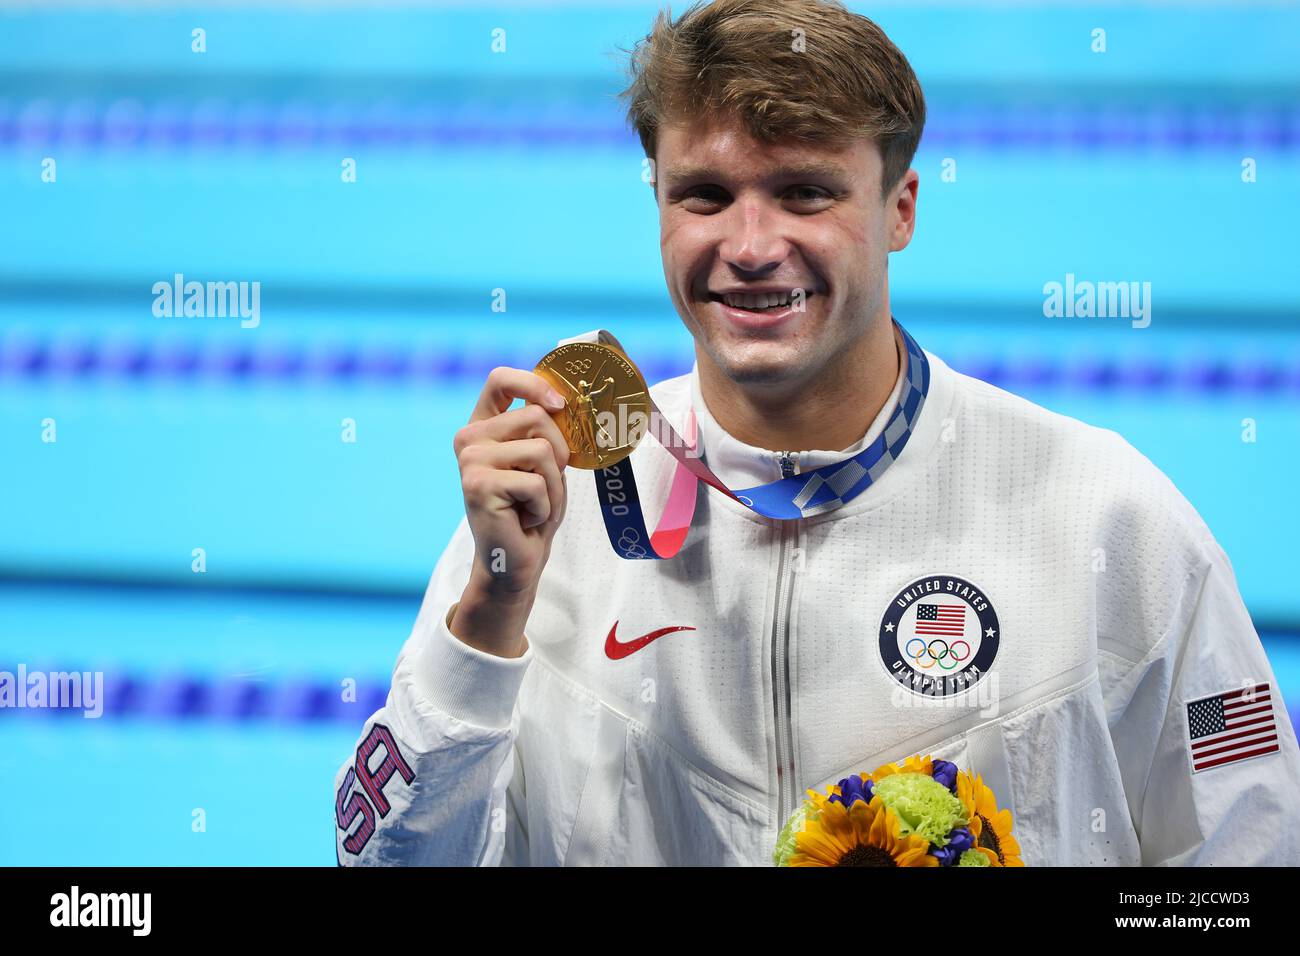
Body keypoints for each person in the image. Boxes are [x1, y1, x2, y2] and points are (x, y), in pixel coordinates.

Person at [333, 0, 1300, 866]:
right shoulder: (553, 513)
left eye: (805, 192)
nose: (751, 247)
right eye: (704, 196)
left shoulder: (1108, 519)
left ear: (900, 209)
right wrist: (490, 615)